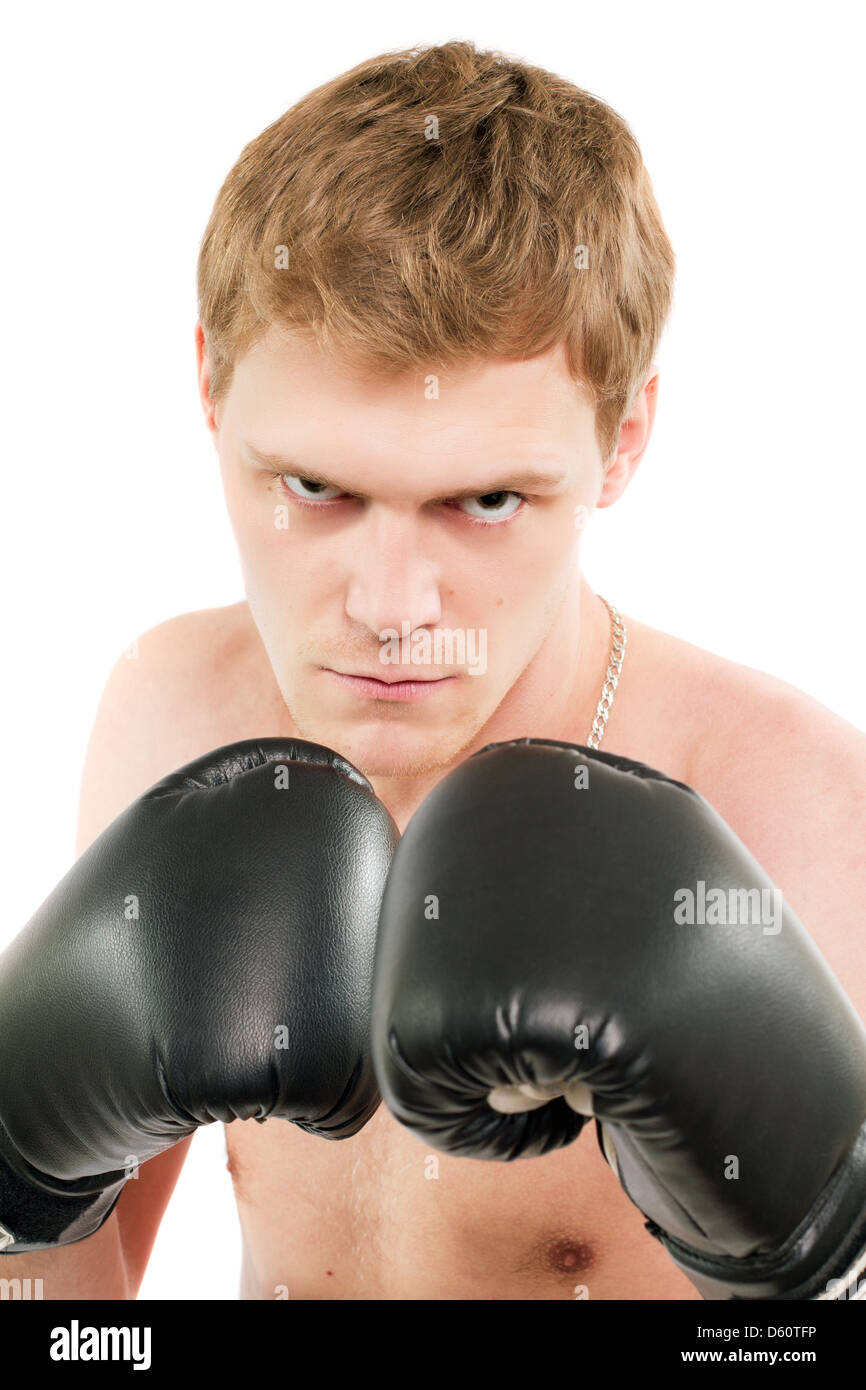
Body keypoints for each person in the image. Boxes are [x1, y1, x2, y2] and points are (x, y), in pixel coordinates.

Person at [2, 40, 864, 1301]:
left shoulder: (790, 808)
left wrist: (789, 1286)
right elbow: (78, 1336)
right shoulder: (174, 711)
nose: (391, 609)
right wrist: (21, 1185)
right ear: (207, 386)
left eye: (485, 500)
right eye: (314, 487)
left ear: (622, 443)